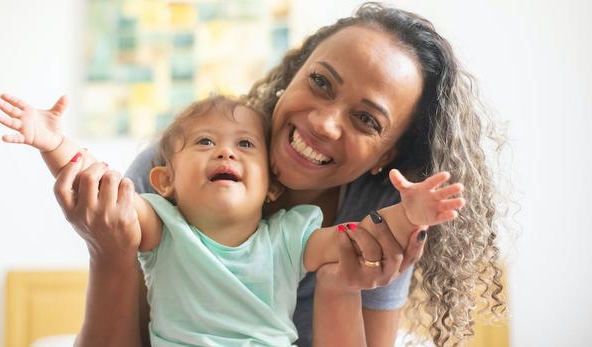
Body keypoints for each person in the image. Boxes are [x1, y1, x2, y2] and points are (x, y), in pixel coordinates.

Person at [48, 2, 506, 346]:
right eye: (321, 82)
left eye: (366, 119)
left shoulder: (379, 210)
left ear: (388, 155)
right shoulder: (185, 168)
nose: (324, 123)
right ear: (293, 73)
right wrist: (108, 251)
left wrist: (337, 286)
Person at [0, 92, 464, 345]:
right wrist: (54, 145)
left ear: (271, 187)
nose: (224, 150)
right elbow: (100, 186)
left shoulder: (289, 236)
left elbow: (358, 241)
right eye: (204, 143)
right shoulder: (161, 225)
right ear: (164, 180)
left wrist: (409, 213)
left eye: (244, 144)